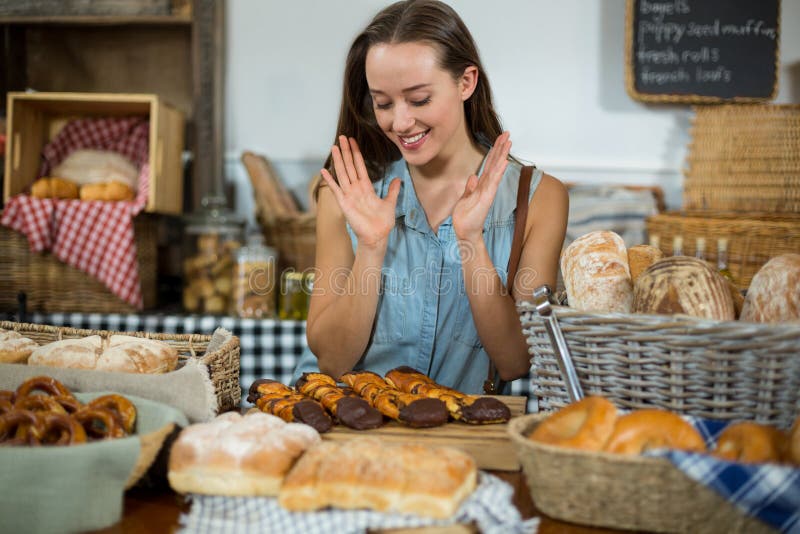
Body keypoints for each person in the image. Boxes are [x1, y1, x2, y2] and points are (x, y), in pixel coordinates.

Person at [291, 0, 568, 394]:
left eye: (419, 99)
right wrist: (371, 247)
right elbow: (332, 360)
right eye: (383, 103)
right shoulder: (345, 193)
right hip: (351, 428)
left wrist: (471, 240)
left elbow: (514, 361)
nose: (400, 122)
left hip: (462, 436)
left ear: (466, 82)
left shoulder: (539, 199)